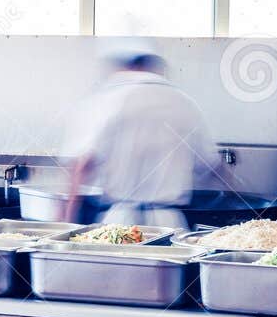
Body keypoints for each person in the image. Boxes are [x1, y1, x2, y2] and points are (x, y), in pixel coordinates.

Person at [63, 43, 222, 229]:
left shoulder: (108, 100)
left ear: (129, 67)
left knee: (120, 258)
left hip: (118, 224)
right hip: (169, 223)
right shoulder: (186, 103)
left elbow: (82, 165)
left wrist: (66, 221)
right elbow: (211, 166)